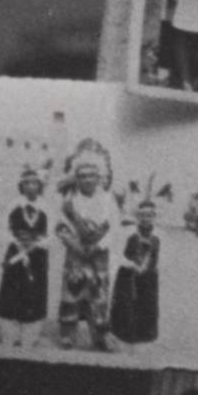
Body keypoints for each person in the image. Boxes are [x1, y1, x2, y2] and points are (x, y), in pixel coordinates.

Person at [54, 141, 115, 344]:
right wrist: (76, 246)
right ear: (76, 178)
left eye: (91, 175)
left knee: (98, 296)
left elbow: (115, 227)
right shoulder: (69, 202)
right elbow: (61, 227)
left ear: (99, 177)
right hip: (75, 255)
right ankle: (68, 334)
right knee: (72, 292)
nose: (87, 180)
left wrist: (98, 245)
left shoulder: (108, 199)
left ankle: (99, 335)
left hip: (99, 256)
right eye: (82, 176)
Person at [0, 163, 50, 333]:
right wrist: (16, 242)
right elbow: (2, 228)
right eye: (27, 183)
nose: (31, 186)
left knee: (33, 289)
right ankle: (9, 324)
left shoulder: (46, 207)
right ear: (21, 186)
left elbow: (51, 234)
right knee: (12, 287)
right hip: (16, 252)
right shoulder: (13, 205)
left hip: (37, 256)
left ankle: (30, 326)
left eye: (34, 183)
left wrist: (37, 244)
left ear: (40, 186)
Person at [106, 184, 163, 349]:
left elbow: (161, 256)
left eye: (149, 215)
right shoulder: (129, 232)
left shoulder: (158, 235)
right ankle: (124, 333)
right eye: (142, 215)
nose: (146, 219)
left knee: (146, 304)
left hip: (149, 276)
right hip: (128, 274)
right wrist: (131, 264)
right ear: (138, 217)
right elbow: (117, 253)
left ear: (154, 217)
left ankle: (144, 334)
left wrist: (150, 268)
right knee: (127, 302)